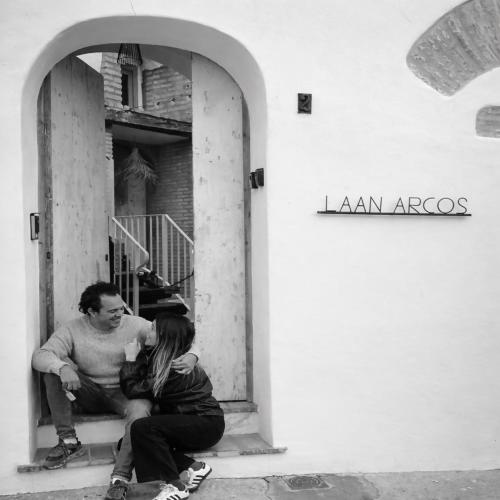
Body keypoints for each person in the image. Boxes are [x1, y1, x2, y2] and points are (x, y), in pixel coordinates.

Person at [31, 282, 198, 500]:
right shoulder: (72, 329)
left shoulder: (135, 324)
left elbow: (178, 335)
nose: (120, 314)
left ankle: (119, 478)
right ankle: (69, 441)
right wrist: (62, 367)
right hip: (90, 392)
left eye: (121, 307)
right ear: (92, 312)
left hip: (127, 393)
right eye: (112, 311)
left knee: (140, 412)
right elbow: (41, 355)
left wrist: (193, 355)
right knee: (52, 372)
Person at [120, 313, 225, 500]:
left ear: (165, 336)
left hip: (205, 423)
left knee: (142, 428)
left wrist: (130, 359)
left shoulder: (175, 367)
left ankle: (173, 485)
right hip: (188, 421)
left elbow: (133, 390)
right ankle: (192, 467)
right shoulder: (164, 357)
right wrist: (194, 353)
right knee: (129, 443)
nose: (148, 333)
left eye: (153, 329)